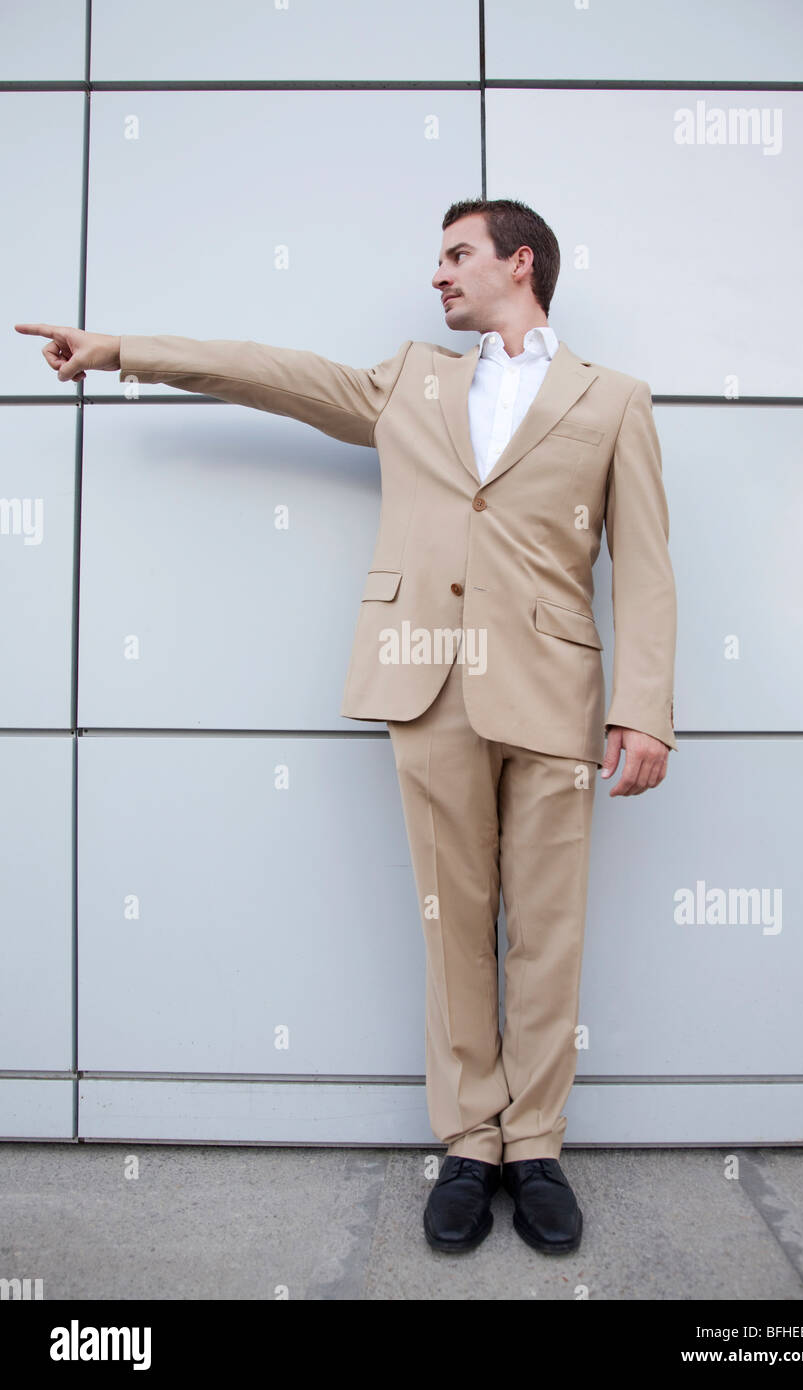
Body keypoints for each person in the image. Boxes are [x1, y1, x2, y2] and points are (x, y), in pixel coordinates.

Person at [15, 196, 677, 1256]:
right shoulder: (411, 379)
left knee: (546, 933)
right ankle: (469, 1144)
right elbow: (274, 374)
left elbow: (643, 566)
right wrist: (122, 350)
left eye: (456, 255)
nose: (438, 275)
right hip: (424, 685)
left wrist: (644, 707)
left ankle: (536, 1144)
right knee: (449, 923)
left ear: (520, 263)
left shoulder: (613, 401)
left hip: (554, 696)